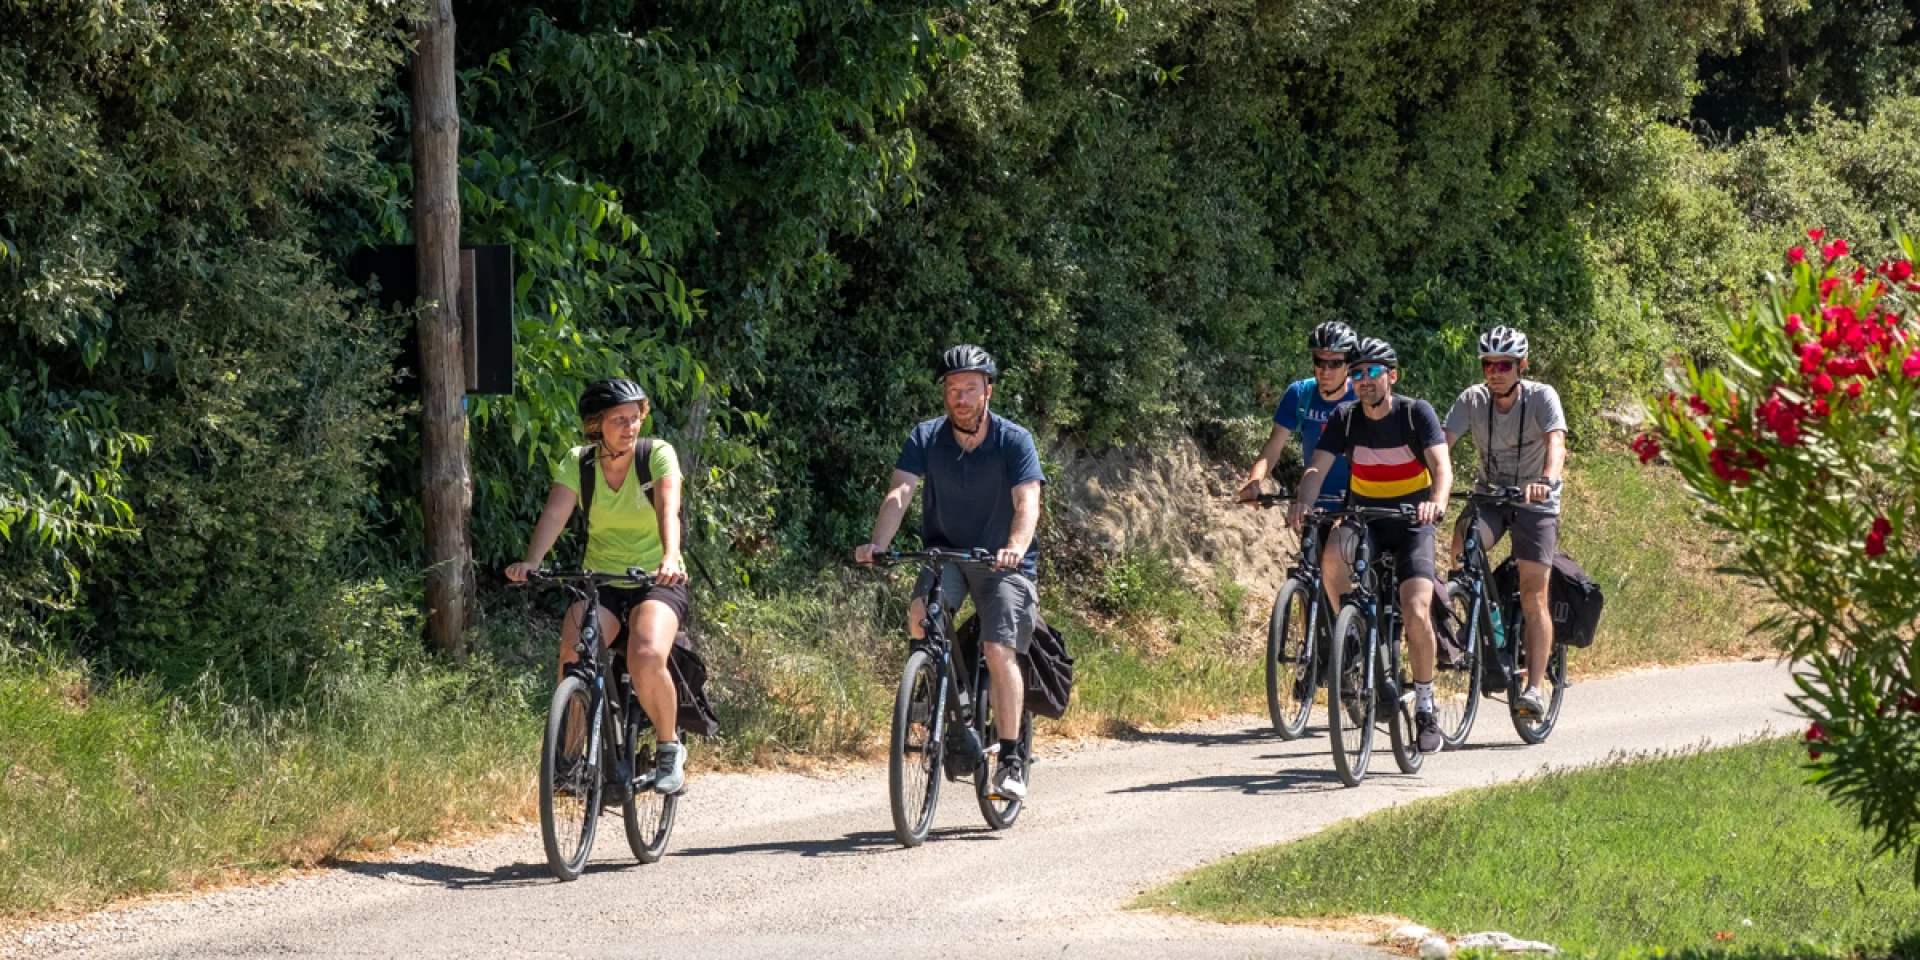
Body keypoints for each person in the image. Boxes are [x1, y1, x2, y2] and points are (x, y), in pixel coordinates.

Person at [855, 344, 1045, 800]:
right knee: (921, 612)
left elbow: (1027, 503)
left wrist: (1015, 549)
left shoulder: (1014, 440)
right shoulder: (925, 437)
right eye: (953, 389)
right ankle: (941, 696)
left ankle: (1012, 756)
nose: (960, 397)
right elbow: (900, 492)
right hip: (946, 555)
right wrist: (878, 544)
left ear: (988, 393)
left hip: (1000, 562)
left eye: (970, 389)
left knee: (999, 651)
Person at [507, 378, 693, 794]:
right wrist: (532, 562)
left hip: (655, 578)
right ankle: (571, 761)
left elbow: (670, 508)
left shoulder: (657, 455)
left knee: (645, 656)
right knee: (574, 650)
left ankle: (668, 748)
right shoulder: (579, 462)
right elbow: (555, 513)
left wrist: (670, 556)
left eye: (635, 418)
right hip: (601, 579)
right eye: (619, 420)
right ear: (596, 425)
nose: (631, 427)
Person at [1288, 337, 1452, 754]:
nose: (1363, 380)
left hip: (1413, 522)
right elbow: (1316, 468)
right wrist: (1304, 502)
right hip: (1366, 518)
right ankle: (1355, 636)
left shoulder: (1417, 413)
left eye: (1373, 372)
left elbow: (1441, 466)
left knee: (1416, 610)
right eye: (1357, 373)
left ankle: (1426, 707)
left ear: (1391, 376)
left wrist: (1436, 503)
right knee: (1332, 552)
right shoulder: (1344, 418)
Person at [1443, 326, 1567, 718]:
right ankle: (1482, 617)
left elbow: (1556, 443)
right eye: (1488, 364)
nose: (1495, 371)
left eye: (1504, 365)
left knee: (1533, 594)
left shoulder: (1542, 397)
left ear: (1521, 366)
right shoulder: (1472, 400)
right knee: (1463, 541)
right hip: (1491, 496)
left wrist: (1546, 482)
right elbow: (1440, 446)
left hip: (1535, 502)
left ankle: (1534, 689)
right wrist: (1429, 485)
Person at [1238, 322, 1359, 508]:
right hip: (1313, 501)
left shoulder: (1362, 398)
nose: (1325, 371)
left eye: (1334, 363)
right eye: (1320, 362)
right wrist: (1255, 480)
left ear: (1348, 365)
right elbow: (1275, 444)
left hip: (1359, 503)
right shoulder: (1300, 394)